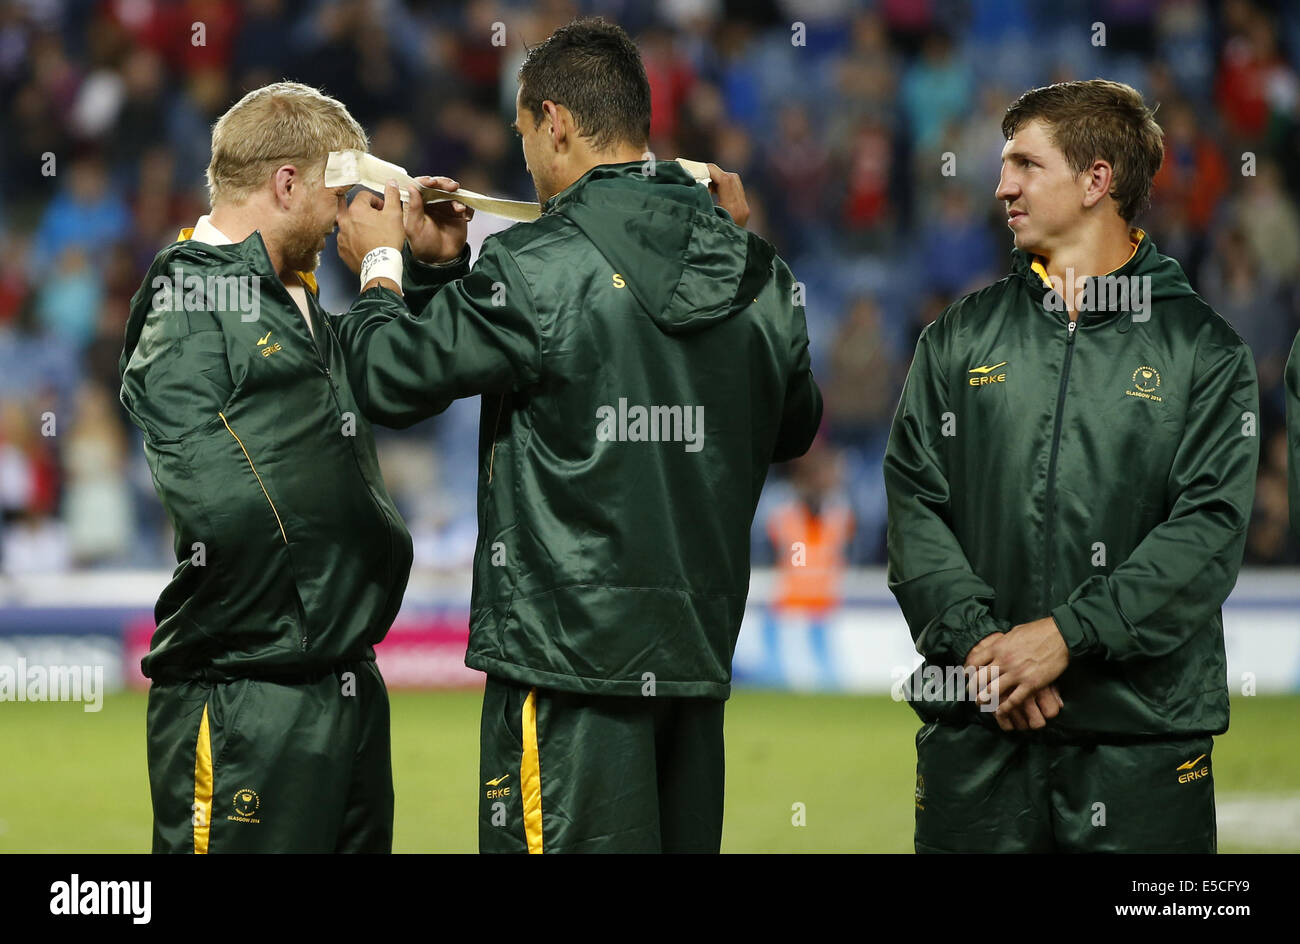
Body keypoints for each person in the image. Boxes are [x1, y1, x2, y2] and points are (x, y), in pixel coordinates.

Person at [332, 17, 822, 853]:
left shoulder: (536, 266)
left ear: (554, 120)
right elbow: (792, 427)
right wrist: (451, 269)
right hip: (694, 663)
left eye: (524, 133)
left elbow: (387, 379)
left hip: (563, 667)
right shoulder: (756, 270)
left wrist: (385, 265)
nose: (525, 157)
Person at [884, 79, 1259, 853]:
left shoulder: (1204, 352)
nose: (1001, 185)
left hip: (1141, 751)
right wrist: (986, 651)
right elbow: (914, 508)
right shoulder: (956, 338)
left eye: (1026, 164)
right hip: (976, 738)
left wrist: (1064, 636)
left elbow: (1207, 535)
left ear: (1097, 180)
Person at [118, 82, 472, 853]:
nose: (351, 213)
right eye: (341, 193)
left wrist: (436, 271)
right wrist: (340, 583)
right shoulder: (188, 299)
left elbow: (406, 387)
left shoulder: (297, 303)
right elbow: (218, 501)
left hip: (341, 679)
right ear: (286, 184)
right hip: (248, 692)